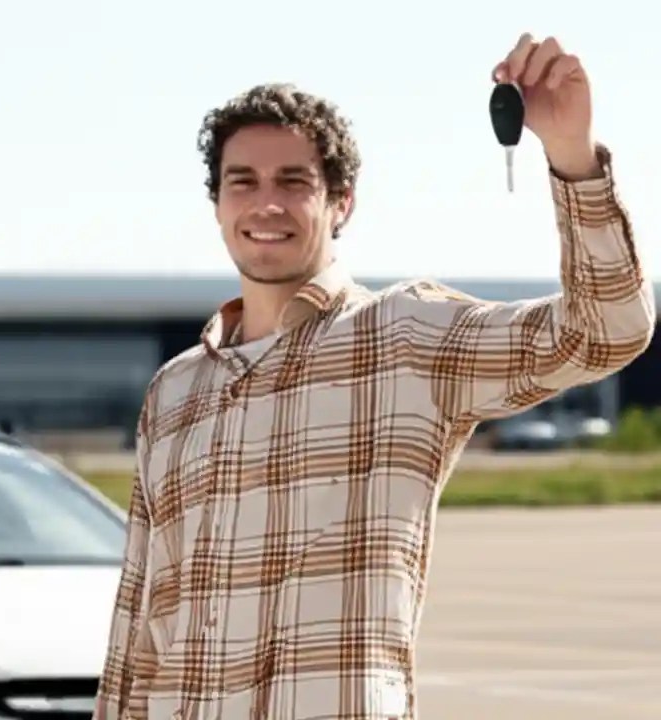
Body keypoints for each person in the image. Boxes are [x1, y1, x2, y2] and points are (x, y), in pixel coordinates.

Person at [92, 33, 654, 720]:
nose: (266, 204)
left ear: (342, 203)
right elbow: (138, 623)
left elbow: (605, 330)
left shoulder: (404, 337)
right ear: (218, 205)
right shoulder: (175, 392)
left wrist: (573, 156)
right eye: (244, 182)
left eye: (293, 182)